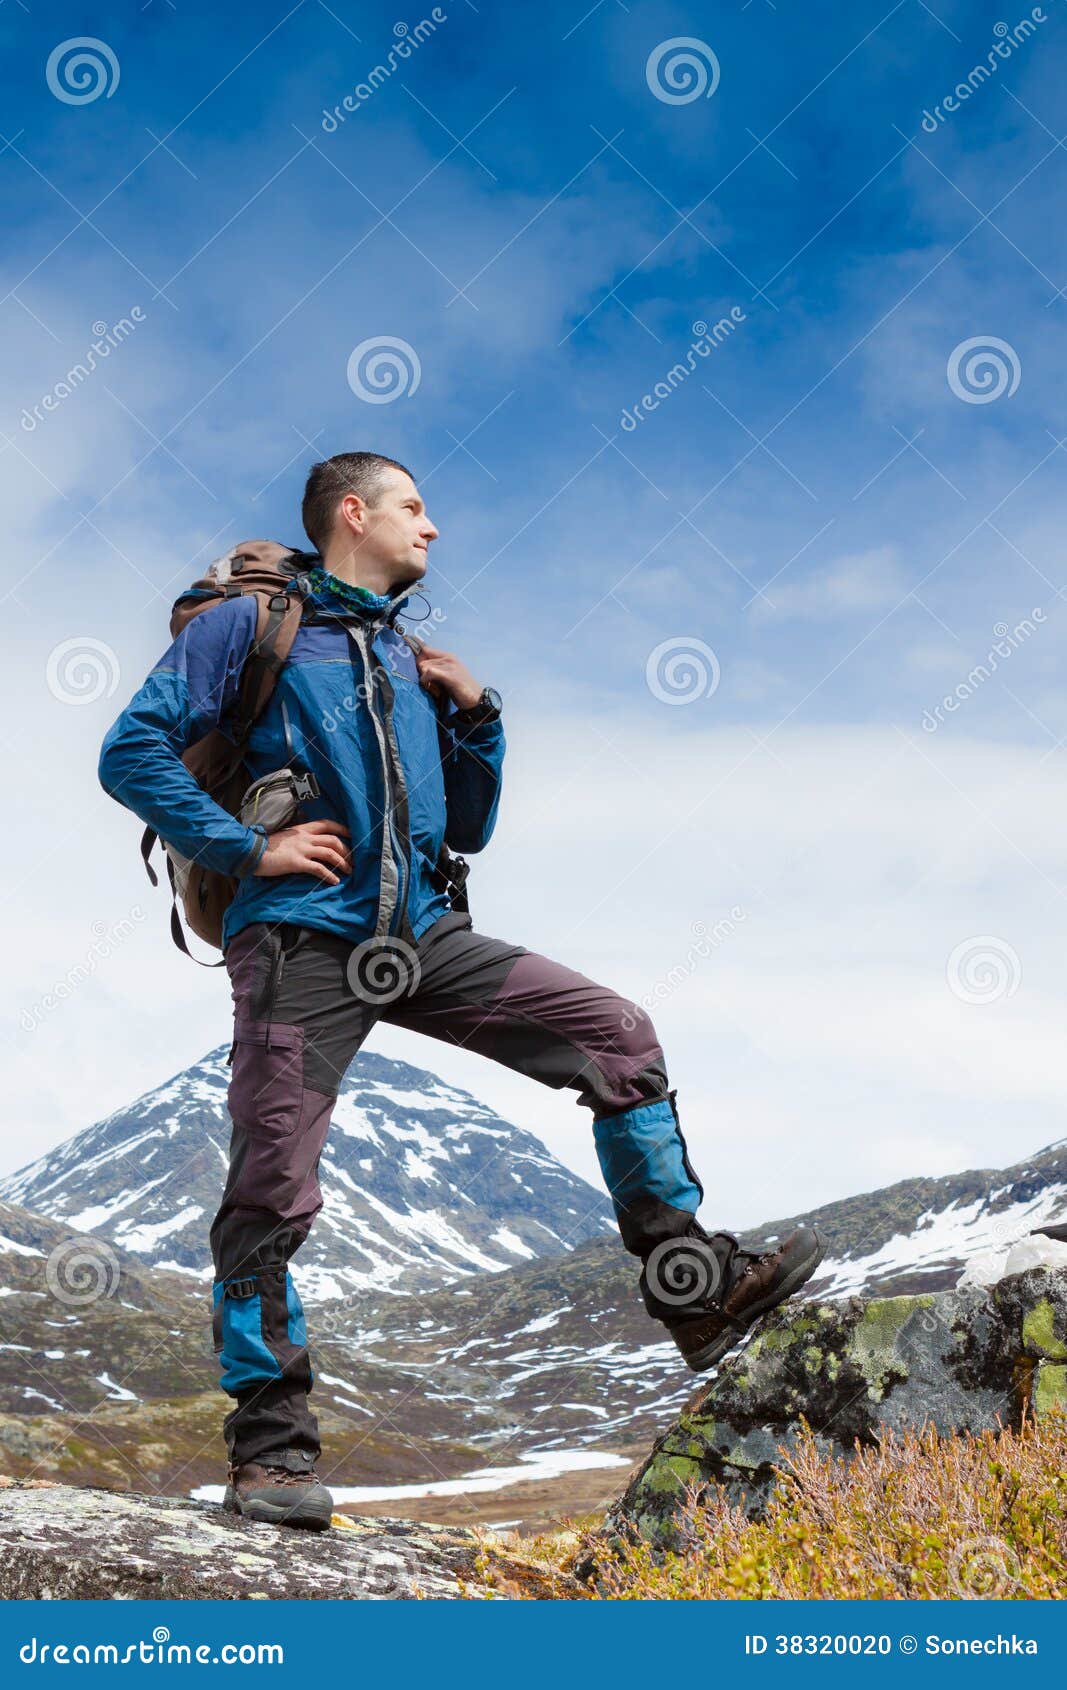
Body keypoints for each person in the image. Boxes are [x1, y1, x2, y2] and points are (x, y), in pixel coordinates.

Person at [98, 451, 824, 1531]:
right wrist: (247, 852)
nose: (432, 528)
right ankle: (270, 1459)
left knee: (617, 1036)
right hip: (298, 942)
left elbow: (466, 826)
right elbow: (130, 752)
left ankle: (695, 1286)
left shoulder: (401, 652)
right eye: (413, 508)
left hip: (423, 937)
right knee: (268, 1195)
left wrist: (476, 714)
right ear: (354, 513)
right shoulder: (247, 628)